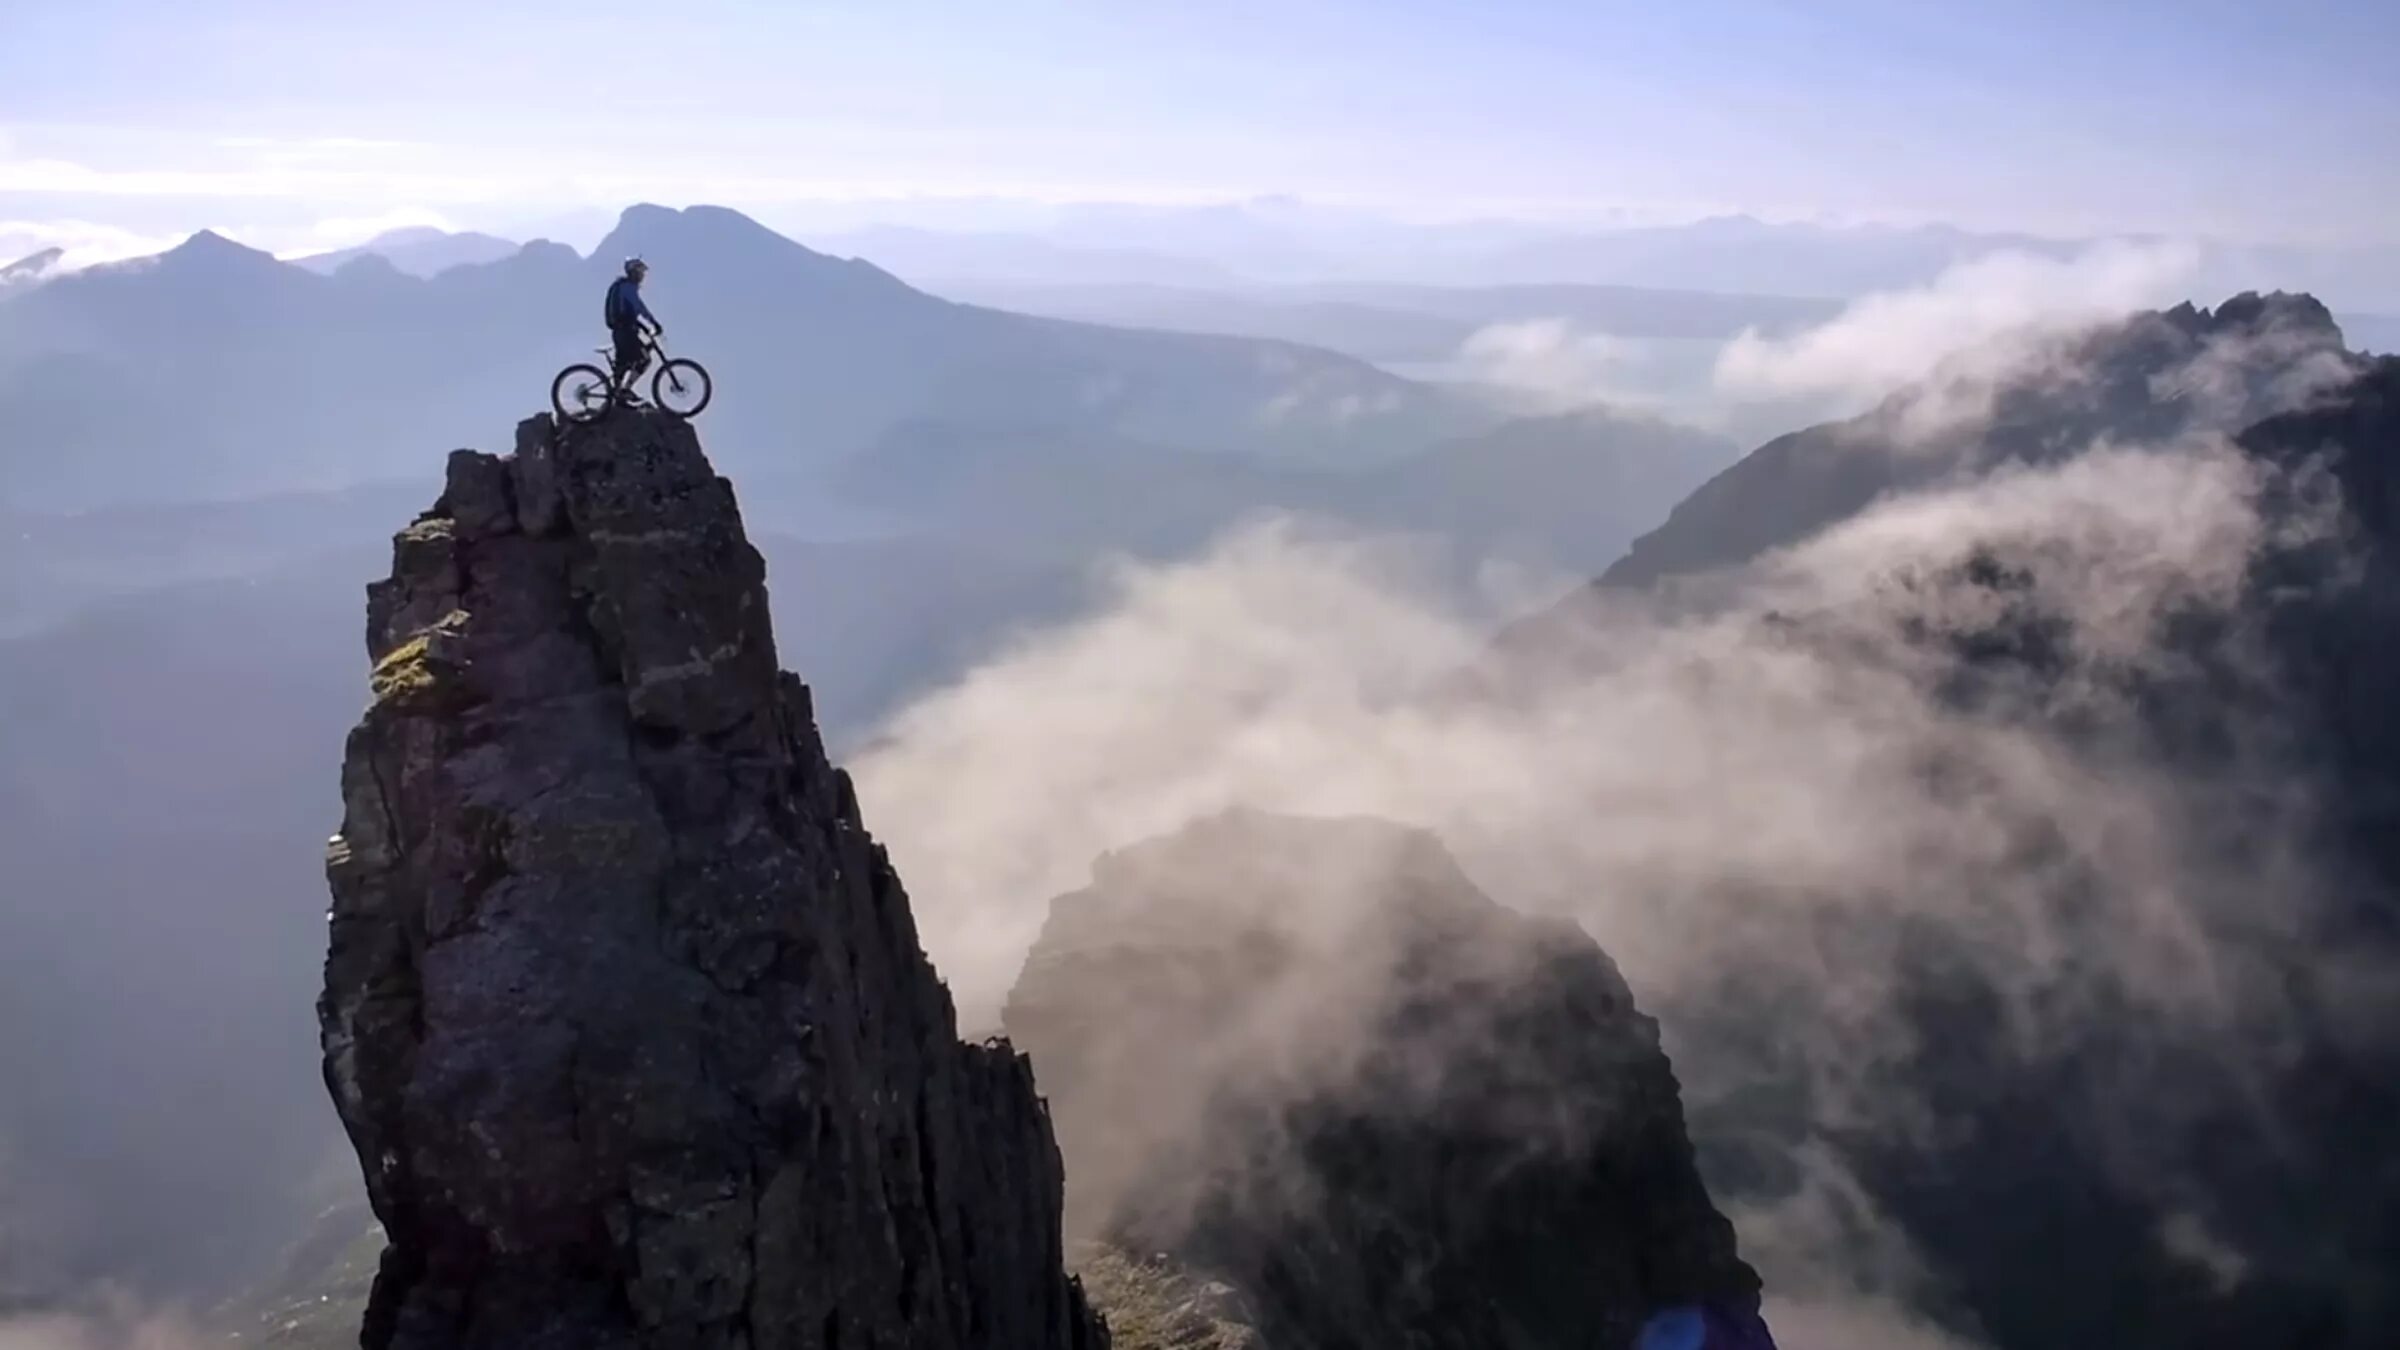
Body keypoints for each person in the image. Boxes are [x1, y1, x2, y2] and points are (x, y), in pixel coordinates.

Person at [603, 258, 662, 398]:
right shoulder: (627, 287)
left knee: (623, 363)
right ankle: (624, 390)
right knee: (644, 359)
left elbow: (631, 312)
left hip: (621, 331)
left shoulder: (621, 286)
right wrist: (654, 323)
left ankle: (618, 394)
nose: (642, 276)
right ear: (633, 272)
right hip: (625, 331)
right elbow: (639, 307)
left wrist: (644, 326)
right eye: (640, 272)